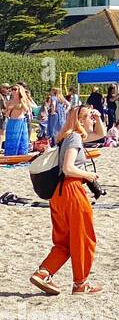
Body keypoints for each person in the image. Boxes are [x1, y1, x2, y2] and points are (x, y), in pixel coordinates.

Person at [30, 104, 106, 295]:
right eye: (90, 117)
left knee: (63, 241)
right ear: (80, 120)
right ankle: (80, 283)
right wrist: (88, 176)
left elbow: (101, 134)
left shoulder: (68, 137)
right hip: (72, 190)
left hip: (59, 193)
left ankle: (43, 273)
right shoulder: (74, 138)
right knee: (84, 237)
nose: (93, 120)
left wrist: (98, 116)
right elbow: (68, 168)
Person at [4, 83, 33, 155]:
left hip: (21, 122)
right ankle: (10, 155)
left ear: (19, 91)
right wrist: (10, 109)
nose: (13, 91)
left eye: (15, 89)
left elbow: (27, 111)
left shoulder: (24, 100)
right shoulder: (9, 101)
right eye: (12, 89)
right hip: (11, 121)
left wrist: (22, 102)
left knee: (21, 140)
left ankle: (21, 155)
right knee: (11, 139)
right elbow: (5, 114)